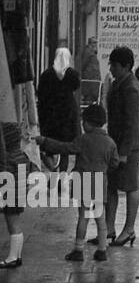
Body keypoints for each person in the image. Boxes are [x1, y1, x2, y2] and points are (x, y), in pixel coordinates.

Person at [36, 102, 118, 262]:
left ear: (87, 123)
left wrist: (45, 142)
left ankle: (78, 250)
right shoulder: (110, 142)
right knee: (100, 218)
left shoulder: (83, 140)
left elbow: (65, 148)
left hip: (83, 182)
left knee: (83, 217)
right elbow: (114, 163)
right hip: (100, 182)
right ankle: (102, 250)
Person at [104, 45, 139, 247]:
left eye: (114, 65)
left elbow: (131, 123)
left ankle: (129, 229)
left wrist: (124, 153)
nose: (111, 68)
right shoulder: (118, 82)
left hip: (128, 146)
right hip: (115, 143)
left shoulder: (131, 88)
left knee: (130, 186)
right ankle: (108, 228)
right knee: (110, 186)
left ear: (126, 66)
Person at [36, 47, 81, 175]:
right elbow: (76, 86)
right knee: (64, 149)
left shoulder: (46, 74)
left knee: (48, 147)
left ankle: (53, 170)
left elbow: (41, 94)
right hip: (67, 116)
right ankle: (62, 174)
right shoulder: (72, 74)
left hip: (49, 114)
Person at [0, 123, 27, 268]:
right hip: (20, 195)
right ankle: (17, 256)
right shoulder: (22, 156)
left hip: (11, 196)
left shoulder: (8, 159)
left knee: (13, 226)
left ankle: (12, 258)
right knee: (16, 225)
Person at [78, 37, 100, 104]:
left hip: (93, 83)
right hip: (89, 83)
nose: (95, 44)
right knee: (89, 101)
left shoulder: (92, 53)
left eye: (96, 42)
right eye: (94, 42)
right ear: (89, 43)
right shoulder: (88, 52)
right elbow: (82, 65)